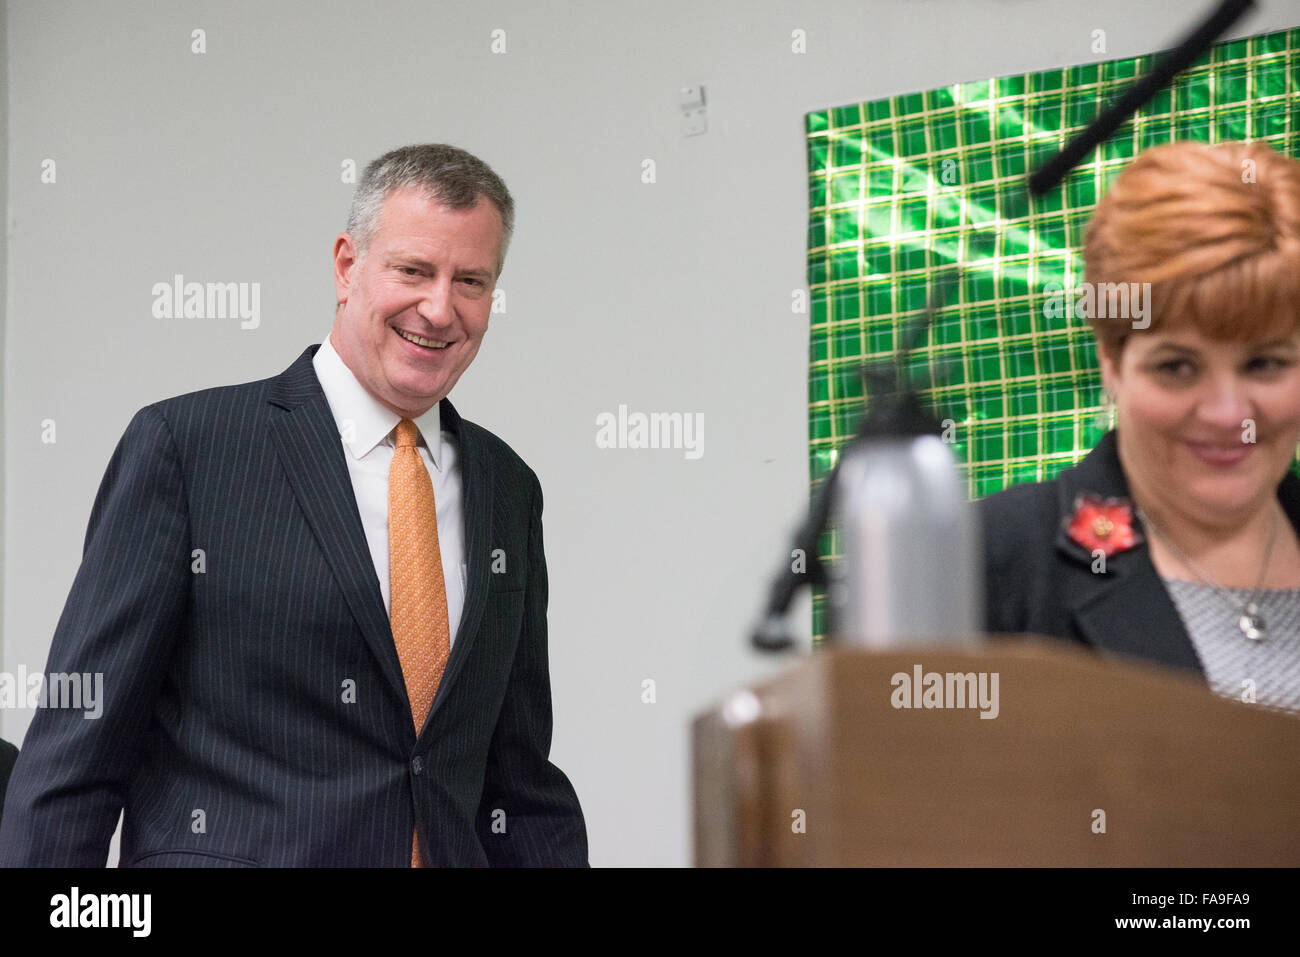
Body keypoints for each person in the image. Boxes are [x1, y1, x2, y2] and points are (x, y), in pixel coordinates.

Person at [0, 144, 589, 865]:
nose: (440, 308)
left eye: (471, 280)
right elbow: (74, 755)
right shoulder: (188, 448)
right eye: (413, 270)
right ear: (347, 265)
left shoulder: (508, 486)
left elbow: (517, 780)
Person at [979, 139, 1300, 715]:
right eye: (1177, 367)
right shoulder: (992, 563)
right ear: (1111, 362)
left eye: (1265, 363)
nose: (1227, 414)